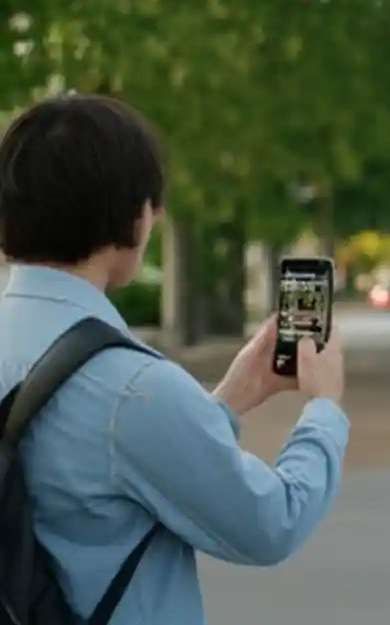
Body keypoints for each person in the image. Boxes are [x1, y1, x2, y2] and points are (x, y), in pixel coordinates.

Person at [0, 94, 350, 623]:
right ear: (134, 216)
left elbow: (103, 457)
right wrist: (325, 409)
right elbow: (271, 524)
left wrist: (226, 401)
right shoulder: (133, 388)